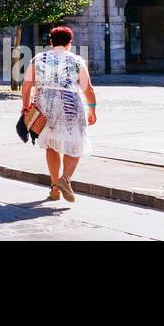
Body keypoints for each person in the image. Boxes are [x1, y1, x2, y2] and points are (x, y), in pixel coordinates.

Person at [20, 25, 97, 202]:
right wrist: (92, 108)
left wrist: (25, 107)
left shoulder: (38, 58)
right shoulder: (76, 60)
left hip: (44, 105)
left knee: (51, 145)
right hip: (70, 105)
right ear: (70, 43)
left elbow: (26, 86)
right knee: (76, 143)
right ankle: (66, 179)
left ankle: (55, 188)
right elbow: (88, 88)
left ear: (51, 42)